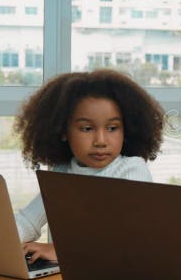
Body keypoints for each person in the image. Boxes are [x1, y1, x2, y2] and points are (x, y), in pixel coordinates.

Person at [13, 69, 164, 263]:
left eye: (112, 128)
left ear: (127, 130)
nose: (100, 140)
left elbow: (128, 239)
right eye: (87, 128)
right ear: (62, 131)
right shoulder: (62, 172)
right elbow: (27, 223)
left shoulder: (132, 170)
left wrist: (61, 251)